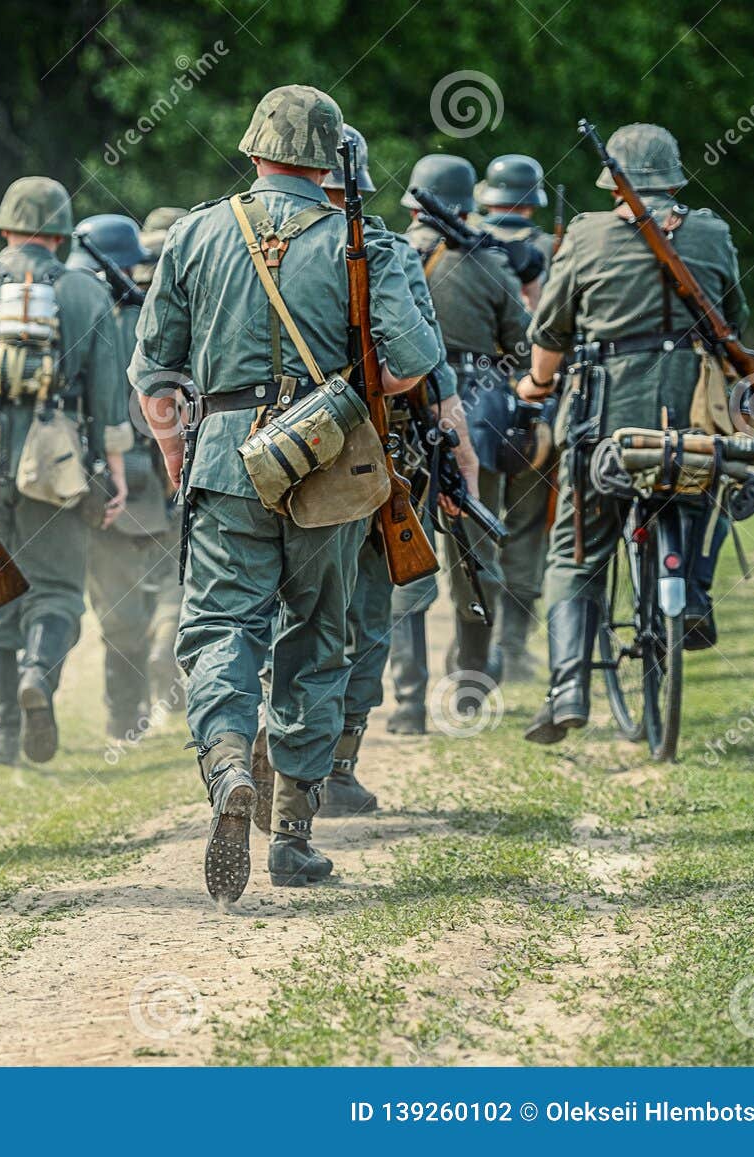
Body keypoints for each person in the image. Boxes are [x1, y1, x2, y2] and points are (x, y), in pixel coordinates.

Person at [132, 87, 441, 905]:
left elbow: (154, 370)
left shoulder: (196, 231)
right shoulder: (358, 240)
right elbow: (410, 368)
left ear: (256, 145)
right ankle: (293, 831)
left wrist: (175, 452)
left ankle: (230, 762)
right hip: (329, 465)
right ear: (331, 157)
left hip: (225, 459)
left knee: (221, 626)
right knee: (317, 632)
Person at [521, 123, 746, 743]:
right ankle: (693, 596)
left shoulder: (590, 236)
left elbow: (551, 332)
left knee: (575, 552)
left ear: (613, 183)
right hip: (695, 419)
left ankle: (568, 686)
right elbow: (735, 318)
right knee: (716, 484)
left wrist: (536, 387)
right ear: (674, 178)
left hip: (603, 424)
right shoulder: (711, 231)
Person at [311, 126, 475, 816]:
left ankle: (280, 745)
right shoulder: (391, 250)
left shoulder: (244, 239)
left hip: (278, 457)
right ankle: (339, 764)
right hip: (375, 460)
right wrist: (459, 451)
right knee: (366, 619)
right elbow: (426, 363)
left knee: (287, 608)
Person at [0, 177, 132, 765]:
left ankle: (2, 735)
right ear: (60, 233)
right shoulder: (86, 293)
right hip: (57, 465)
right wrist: (115, 469)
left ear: (5, 226)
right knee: (55, 590)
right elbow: (108, 395)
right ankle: (38, 672)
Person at [386, 154, 529, 734]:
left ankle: (408, 704)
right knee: (476, 557)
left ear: (415, 203)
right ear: (467, 200)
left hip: (401, 417)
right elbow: (520, 343)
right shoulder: (490, 261)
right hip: (477, 415)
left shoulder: (389, 256)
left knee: (405, 561)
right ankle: (473, 681)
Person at [70, 213, 173, 739]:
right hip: (154, 474)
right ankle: (163, 654)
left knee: (116, 607)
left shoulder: (68, 312)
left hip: (85, 482)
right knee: (168, 588)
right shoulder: (145, 319)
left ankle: (123, 714)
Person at [474, 154, 560, 684]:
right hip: (539, 410)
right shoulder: (552, 249)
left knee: (477, 527)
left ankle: (478, 654)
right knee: (528, 528)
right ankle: (513, 645)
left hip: (475, 409)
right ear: (531, 201)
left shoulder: (460, 245)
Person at [135, 207, 189, 715]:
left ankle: (131, 680)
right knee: (181, 567)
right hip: (177, 446)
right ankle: (165, 643)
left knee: (139, 569)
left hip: (130, 456)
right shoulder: (193, 286)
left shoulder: (121, 297)